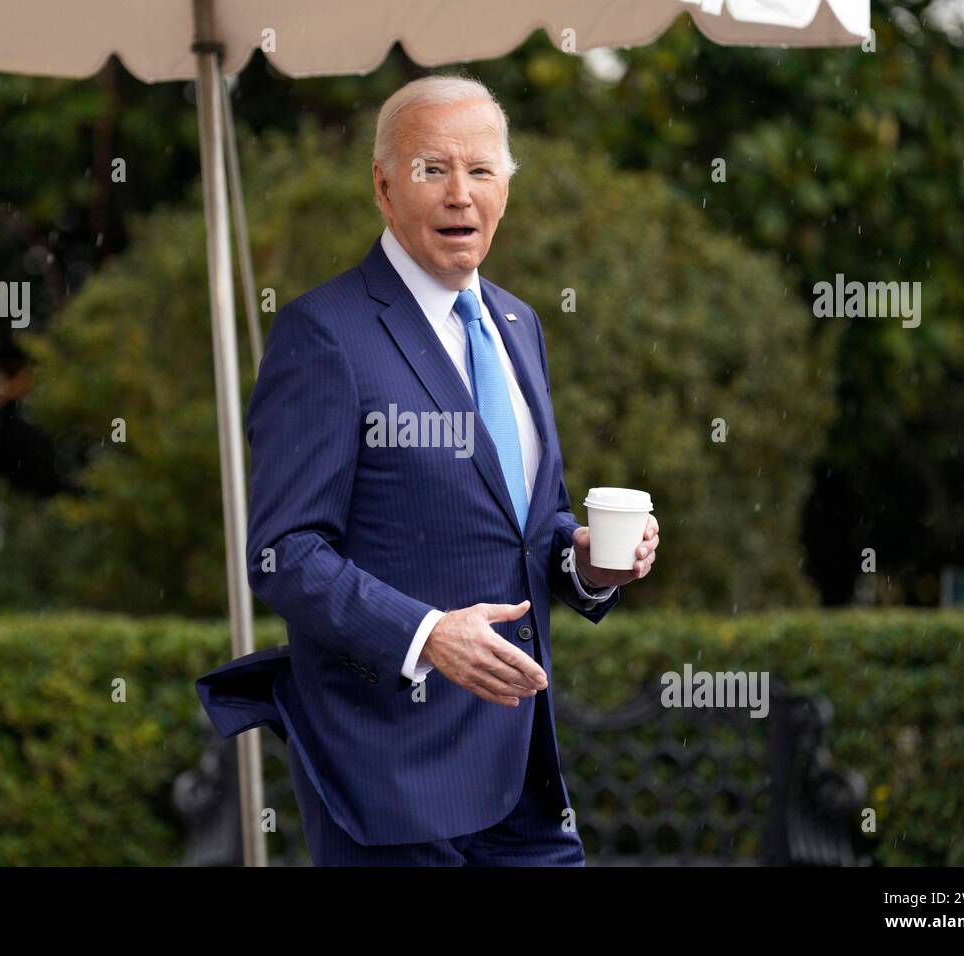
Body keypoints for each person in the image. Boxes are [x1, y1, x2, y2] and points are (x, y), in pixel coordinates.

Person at [197, 74, 660, 866]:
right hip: (386, 778)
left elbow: (528, 523)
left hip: (522, 773)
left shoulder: (520, 324)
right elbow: (284, 554)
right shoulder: (324, 335)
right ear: (383, 186)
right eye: (431, 170)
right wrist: (427, 635)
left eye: (480, 171)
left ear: (506, 189)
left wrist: (583, 561)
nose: (460, 195)